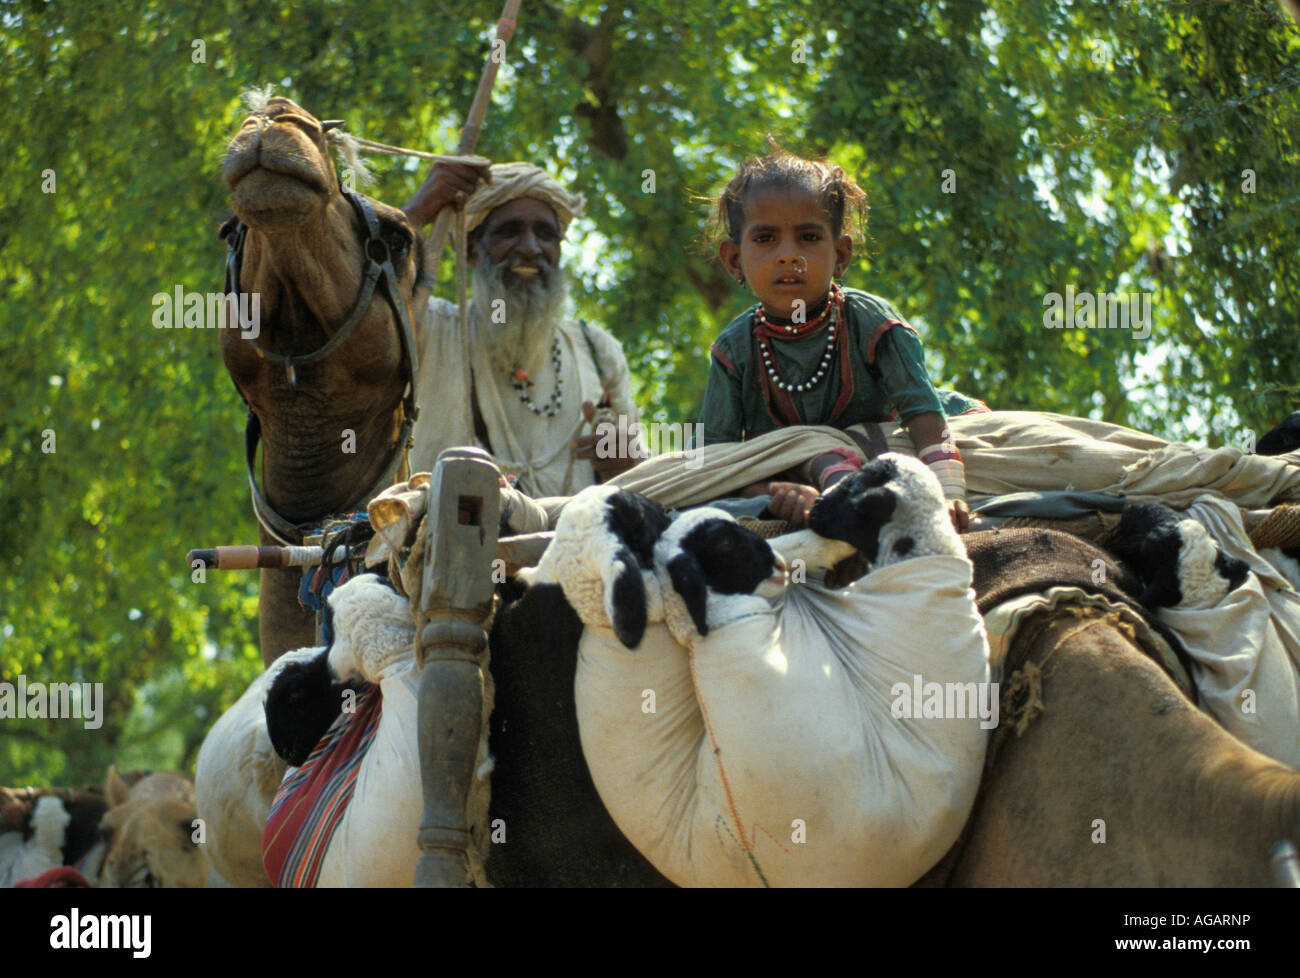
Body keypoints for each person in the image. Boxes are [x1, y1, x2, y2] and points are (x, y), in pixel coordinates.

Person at [699, 145, 987, 529]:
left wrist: (947, 492)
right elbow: (716, 463)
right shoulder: (734, 351)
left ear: (841, 255)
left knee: (991, 443)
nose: (789, 255)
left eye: (809, 237)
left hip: (907, 435)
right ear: (735, 259)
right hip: (808, 467)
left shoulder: (871, 322)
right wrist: (776, 493)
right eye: (766, 238)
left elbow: (923, 414)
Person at [403, 160, 643, 496]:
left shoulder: (597, 350)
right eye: (510, 231)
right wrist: (413, 214)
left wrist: (628, 467)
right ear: (471, 249)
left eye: (545, 234)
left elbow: (642, 484)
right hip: (447, 547)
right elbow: (353, 310)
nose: (530, 248)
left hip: (577, 545)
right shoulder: (429, 328)